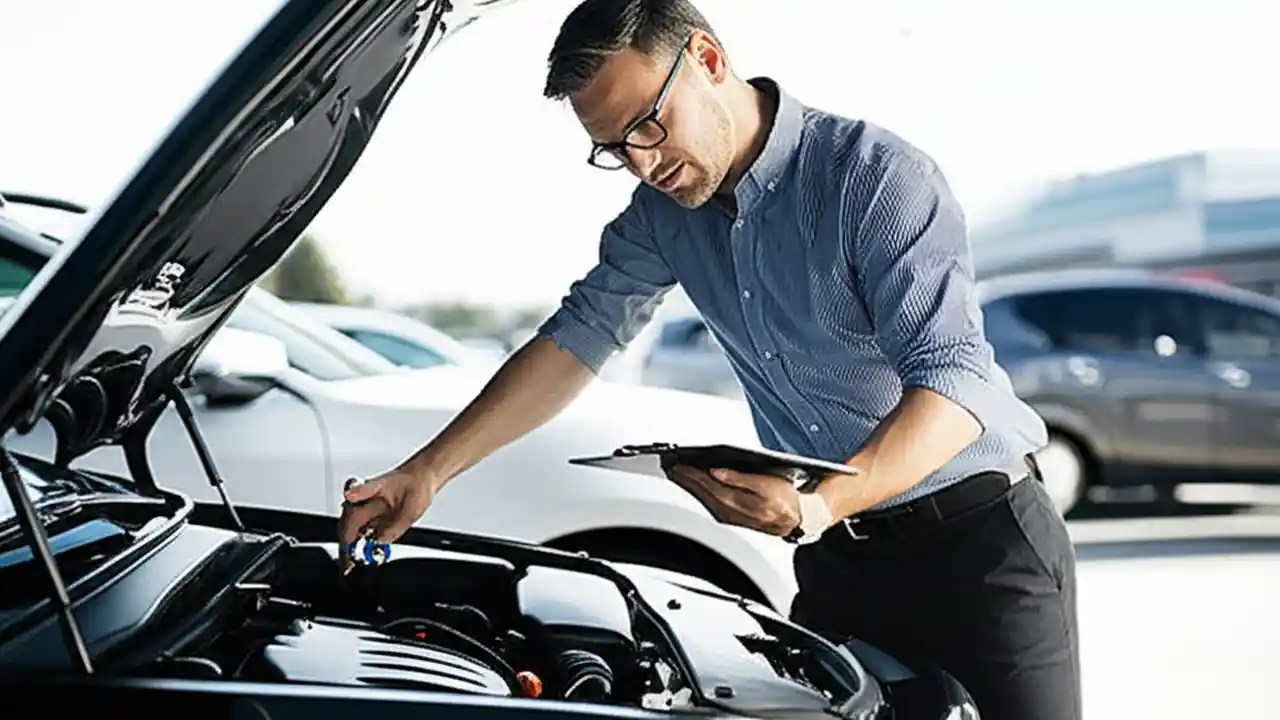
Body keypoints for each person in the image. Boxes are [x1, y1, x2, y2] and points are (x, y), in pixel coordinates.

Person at [337, 1, 1080, 717]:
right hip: (839, 562)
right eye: (614, 150)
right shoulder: (662, 218)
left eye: (647, 126)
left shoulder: (874, 178)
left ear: (708, 59)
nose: (642, 163)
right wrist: (427, 470)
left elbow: (954, 380)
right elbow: (577, 337)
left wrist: (818, 505)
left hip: (977, 551)